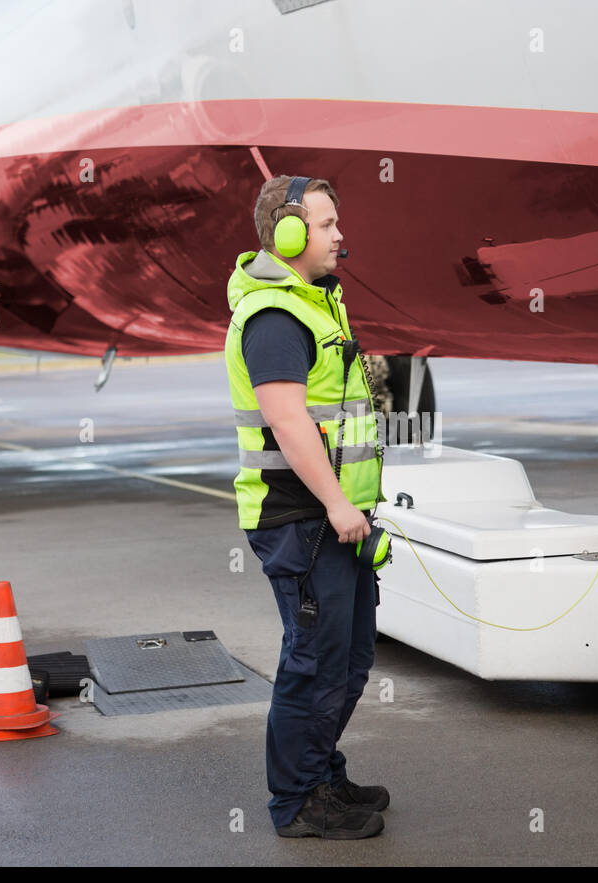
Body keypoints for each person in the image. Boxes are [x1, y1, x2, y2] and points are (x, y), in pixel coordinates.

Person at [224, 174, 389, 839]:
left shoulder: (318, 304)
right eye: (327, 224)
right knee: (314, 662)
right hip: (302, 518)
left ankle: (319, 771)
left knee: (348, 661)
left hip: (334, 518)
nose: (340, 235)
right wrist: (338, 506)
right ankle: (297, 803)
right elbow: (289, 425)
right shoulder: (274, 317)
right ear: (289, 235)